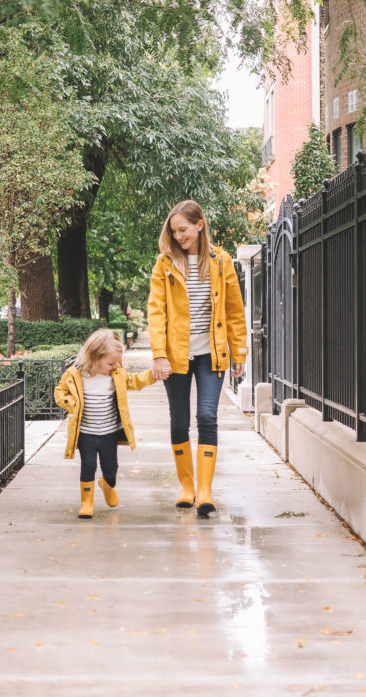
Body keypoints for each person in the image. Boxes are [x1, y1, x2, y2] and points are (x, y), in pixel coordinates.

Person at [147, 200, 247, 517]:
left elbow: (234, 310)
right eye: (174, 231)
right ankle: (187, 486)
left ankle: (205, 491)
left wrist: (239, 350)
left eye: (183, 230)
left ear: (199, 225)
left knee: (206, 417)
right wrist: (159, 355)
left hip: (211, 355)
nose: (178, 237)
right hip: (175, 357)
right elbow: (156, 312)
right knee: (179, 421)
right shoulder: (164, 264)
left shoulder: (221, 262)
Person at [54, 328, 155, 519]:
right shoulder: (75, 375)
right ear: (94, 357)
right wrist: (71, 403)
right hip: (86, 433)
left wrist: (152, 375)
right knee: (88, 466)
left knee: (111, 468)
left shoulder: (115, 374)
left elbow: (134, 381)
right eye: (110, 362)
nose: (114, 366)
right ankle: (86, 503)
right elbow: (60, 392)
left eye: (117, 362)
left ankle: (107, 485)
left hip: (109, 433)